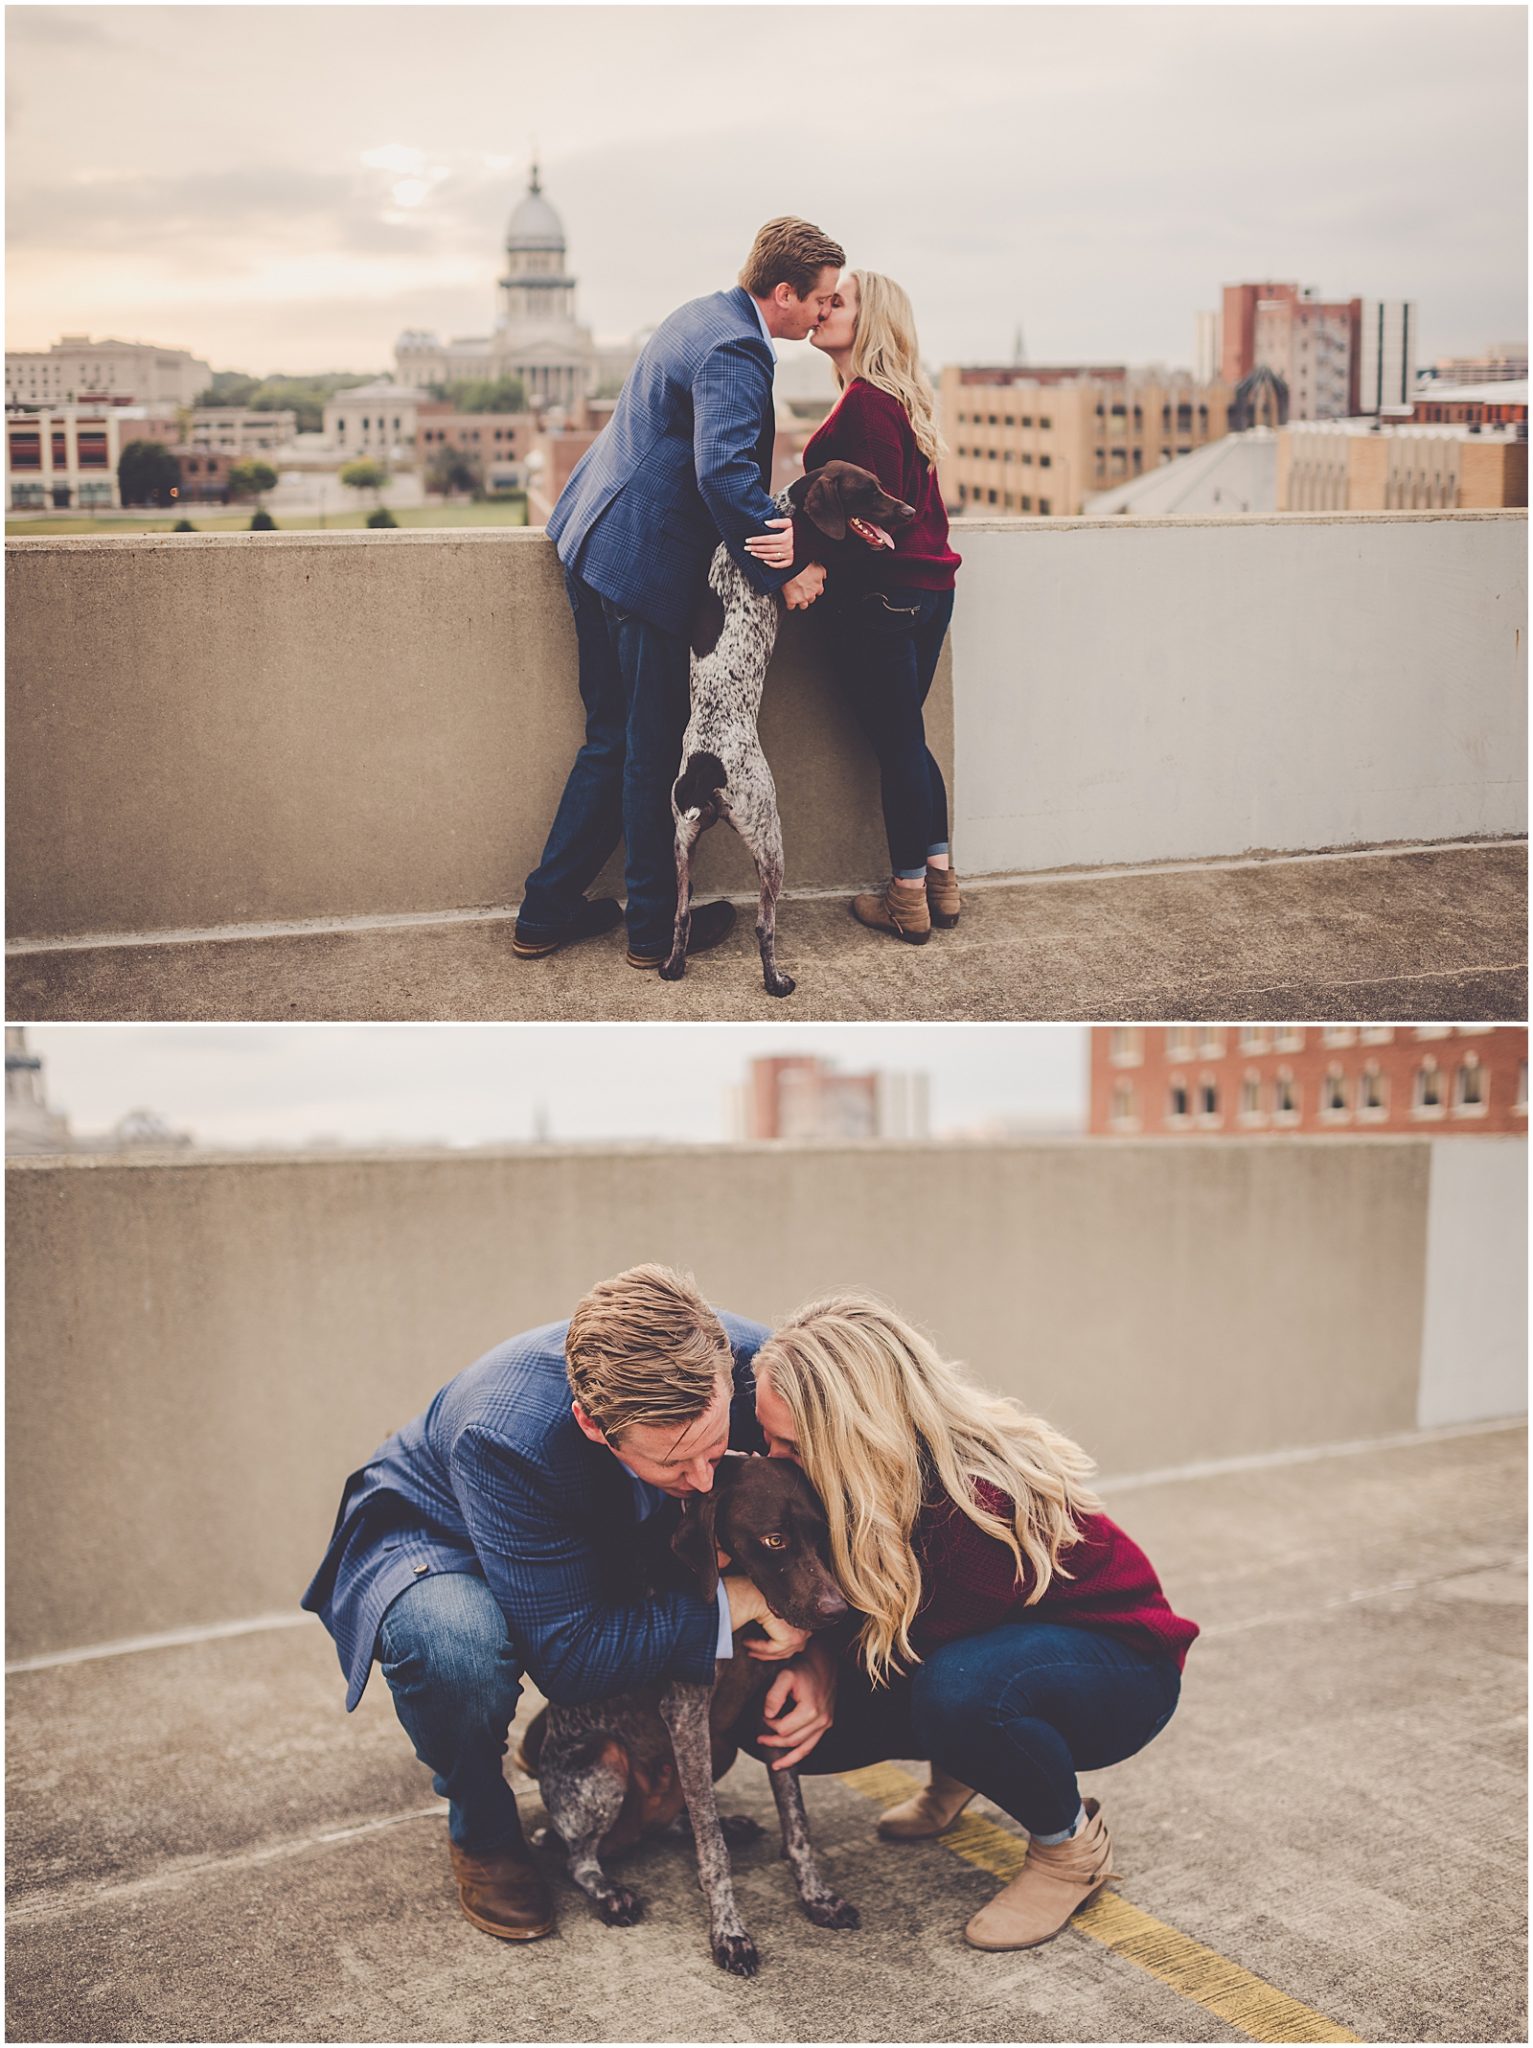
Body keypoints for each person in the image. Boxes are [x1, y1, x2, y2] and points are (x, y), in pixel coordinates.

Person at [300, 1267, 814, 1941]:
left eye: (716, 1449)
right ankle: (482, 1831)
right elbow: (572, 1660)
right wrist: (742, 1598)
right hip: (443, 1531)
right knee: (455, 1644)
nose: (702, 1482)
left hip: (583, 1528)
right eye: (674, 1465)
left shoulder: (761, 1368)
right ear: (593, 1426)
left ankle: (551, 1743)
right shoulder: (504, 1439)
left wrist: (816, 1653)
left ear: (725, 1374)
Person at [740, 1294, 1197, 1953]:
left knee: (958, 1690)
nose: (773, 1462)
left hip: (1119, 1668)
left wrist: (814, 1652)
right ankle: (963, 1765)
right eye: (766, 1441)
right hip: (983, 1644)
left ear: (858, 1434)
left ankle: (1066, 1850)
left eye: (793, 1447)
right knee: (776, 1716)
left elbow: (905, 1643)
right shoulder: (852, 1480)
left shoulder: (973, 1500)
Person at [513, 218, 844, 973]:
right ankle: (652, 931)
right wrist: (785, 567)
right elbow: (724, 476)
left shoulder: (701, 313)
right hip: (641, 570)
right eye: (819, 301)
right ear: (783, 292)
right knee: (647, 749)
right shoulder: (737, 348)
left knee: (609, 739)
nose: (824, 314)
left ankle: (545, 910)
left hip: (591, 542)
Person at [748, 271, 961, 947]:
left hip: (883, 597)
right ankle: (939, 879)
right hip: (927, 592)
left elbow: (874, 526)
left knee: (896, 745)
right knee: (909, 740)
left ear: (868, 322)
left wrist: (808, 556)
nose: (820, 309)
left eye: (836, 303)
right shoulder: (893, 399)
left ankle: (905, 897)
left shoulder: (868, 405)